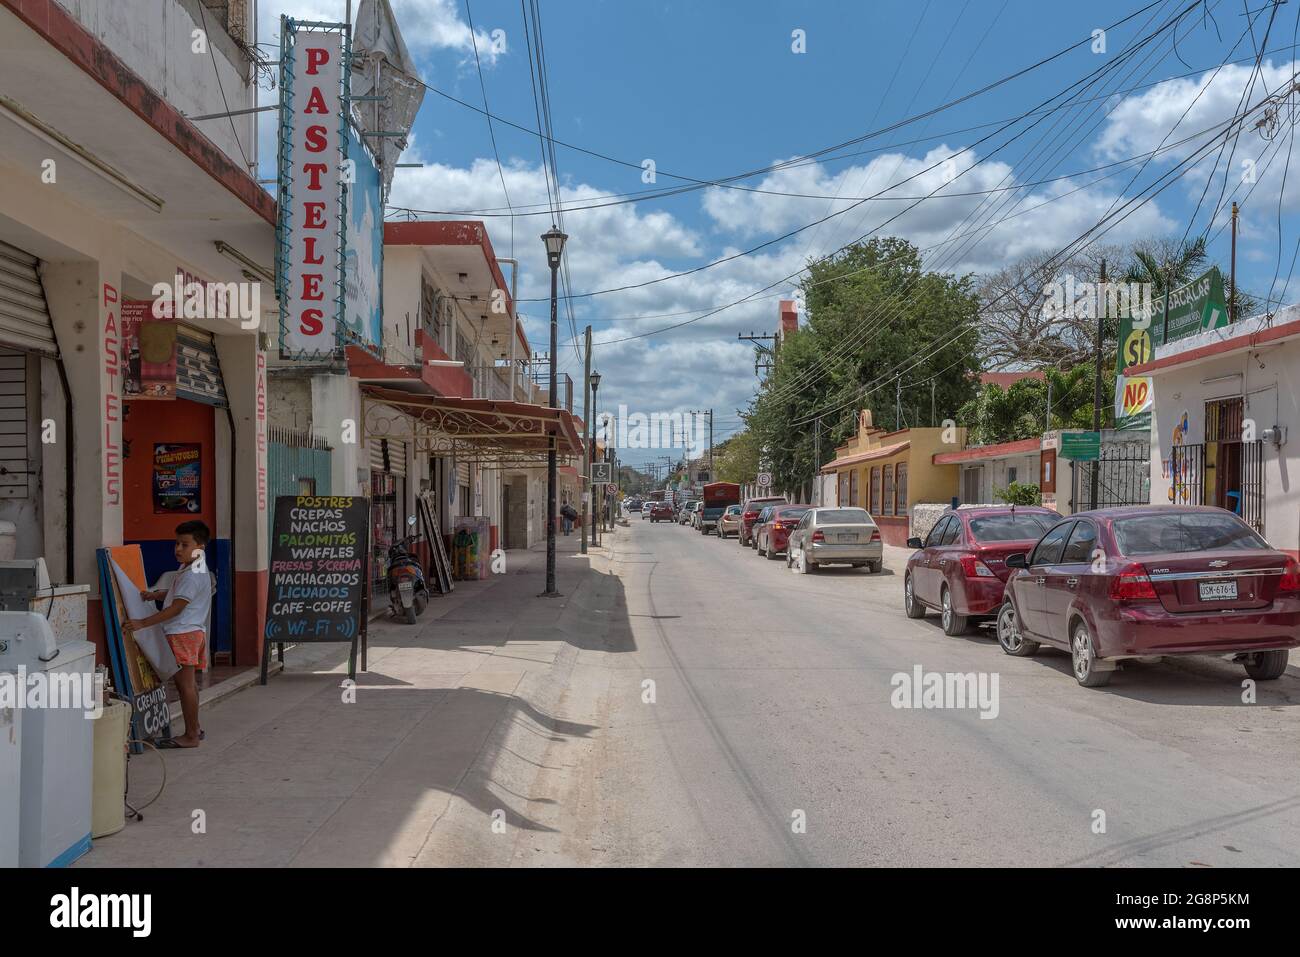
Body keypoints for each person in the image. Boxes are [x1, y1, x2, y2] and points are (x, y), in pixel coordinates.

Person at [131, 520, 213, 749]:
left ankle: (190, 736)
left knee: (185, 686)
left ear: (200, 547)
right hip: (192, 632)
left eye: (184, 544)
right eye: (176, 543)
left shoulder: (191, 575)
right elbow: (179, 596)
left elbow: (176, 608)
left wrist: (142, 623)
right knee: (189, 685)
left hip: (182, 634)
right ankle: (194, 728)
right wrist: (156, 595)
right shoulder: (193, 567)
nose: (177, 549)